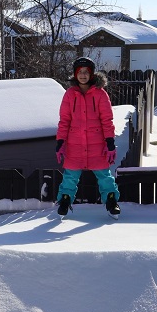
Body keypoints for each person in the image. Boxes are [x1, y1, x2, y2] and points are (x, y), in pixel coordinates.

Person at [55, 57, 121, 218]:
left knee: (105, 176)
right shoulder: (70, 94)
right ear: (75, 74)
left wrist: (110, 142)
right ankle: (64, 201)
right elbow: (64, 121)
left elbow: (107, 120)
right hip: (74, 144)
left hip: (96, 144)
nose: (83, 75)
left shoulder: (100, 94)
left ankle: (112, 201)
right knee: (70, 177)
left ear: (91, 74)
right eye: (80, 72)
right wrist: (60, 142)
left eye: (86, 72)